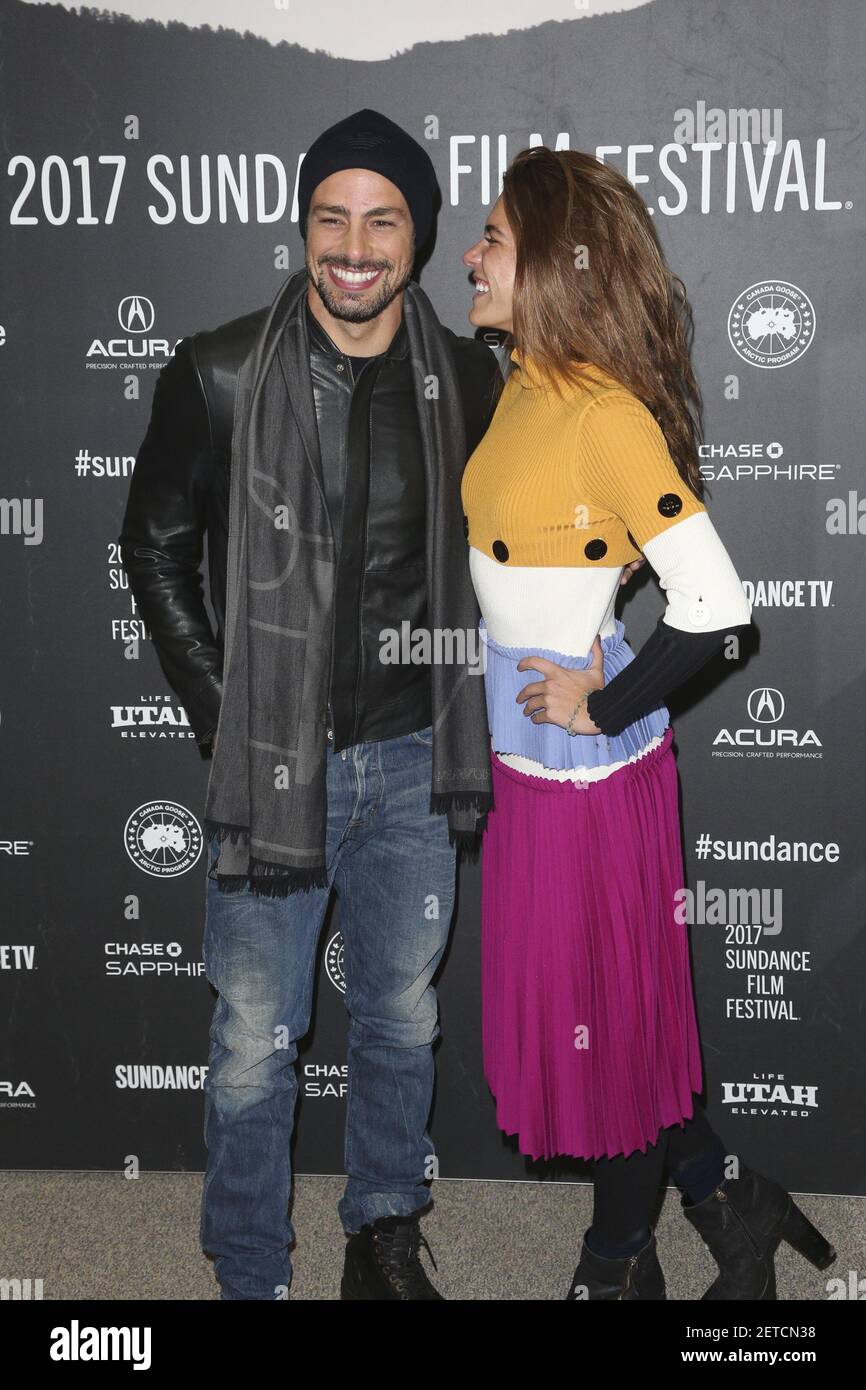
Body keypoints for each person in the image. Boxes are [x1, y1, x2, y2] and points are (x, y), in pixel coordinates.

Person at [118, 108, 503, 1301]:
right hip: (270, 763)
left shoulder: (472, 380)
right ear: (301, 230)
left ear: (417, 239)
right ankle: (249, 1271)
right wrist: (220, 709)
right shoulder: (220, 370)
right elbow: (154, 544)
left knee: (397, 1019)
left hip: (414, 759)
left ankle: (382, 1233)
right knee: (250, 1047)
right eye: (330, 217)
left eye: (380, 219)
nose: (353, 244)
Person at [460, 145, 837, 1300]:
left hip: (586, 777)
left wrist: (602, 699)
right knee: (595, 1023)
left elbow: (717, 608)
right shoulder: (519, 382)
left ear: (551, 269)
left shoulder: (604, 417)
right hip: (530, 765)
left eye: (493, 240)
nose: (469, 257)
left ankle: (615, 1265)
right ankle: (731, 1196)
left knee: (609, 1040)